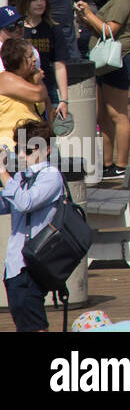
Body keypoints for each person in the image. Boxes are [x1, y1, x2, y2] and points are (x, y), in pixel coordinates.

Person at [75, 0, 130, 182]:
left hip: (120, 60)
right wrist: (85, 17)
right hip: (109, 64)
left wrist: (89, 14)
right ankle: (107, 163)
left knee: (117, 114)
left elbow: (109, 30)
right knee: (104, 115)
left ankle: (120, 164)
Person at [0, 120, 63, 332]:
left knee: (33, 325)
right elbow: (5, 204)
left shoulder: (51, 176)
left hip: (31, 263)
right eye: (19, 148)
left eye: (24, 148)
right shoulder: (19, 177)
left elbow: (25, 202)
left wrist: (2, 172)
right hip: (16, 265)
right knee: (25, 322)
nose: (20, 153)